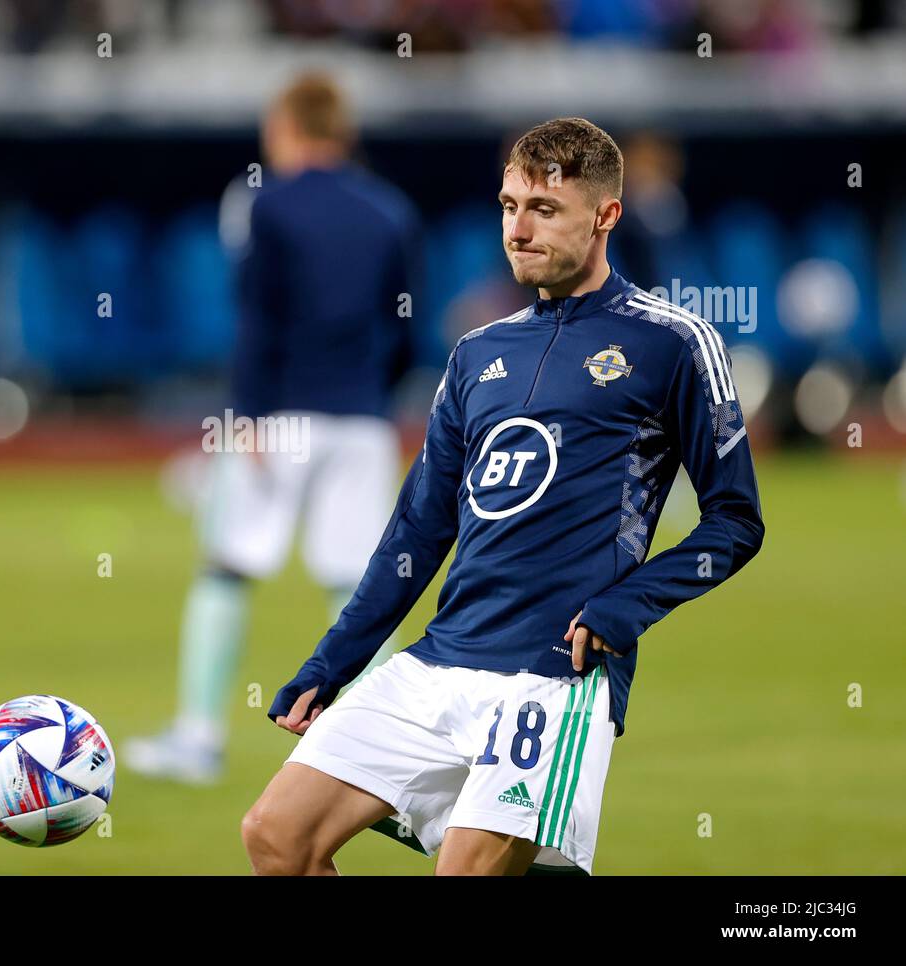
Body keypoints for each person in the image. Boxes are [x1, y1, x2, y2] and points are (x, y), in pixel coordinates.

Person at [242, 116, 764, 875]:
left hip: (554, 676)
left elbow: (735, 522)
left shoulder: (672, 342)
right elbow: (418, 531)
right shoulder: (477, 352)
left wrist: (631, 604)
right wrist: (335, 658)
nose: (518, 229)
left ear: (607, 215)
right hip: (438, 662)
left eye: (544, 209)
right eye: (509, 205)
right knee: (276, 836)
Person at [124, 72, 422, 784]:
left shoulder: (265, 204)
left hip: (281, 414)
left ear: (285, 128)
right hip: (362, 420)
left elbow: (256, 318)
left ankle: (198, 739)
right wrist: (374, 399)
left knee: (226, 568)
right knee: (359, 588)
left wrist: (247, 413)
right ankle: (390, 754)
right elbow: (407, 324)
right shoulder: (390, 211)